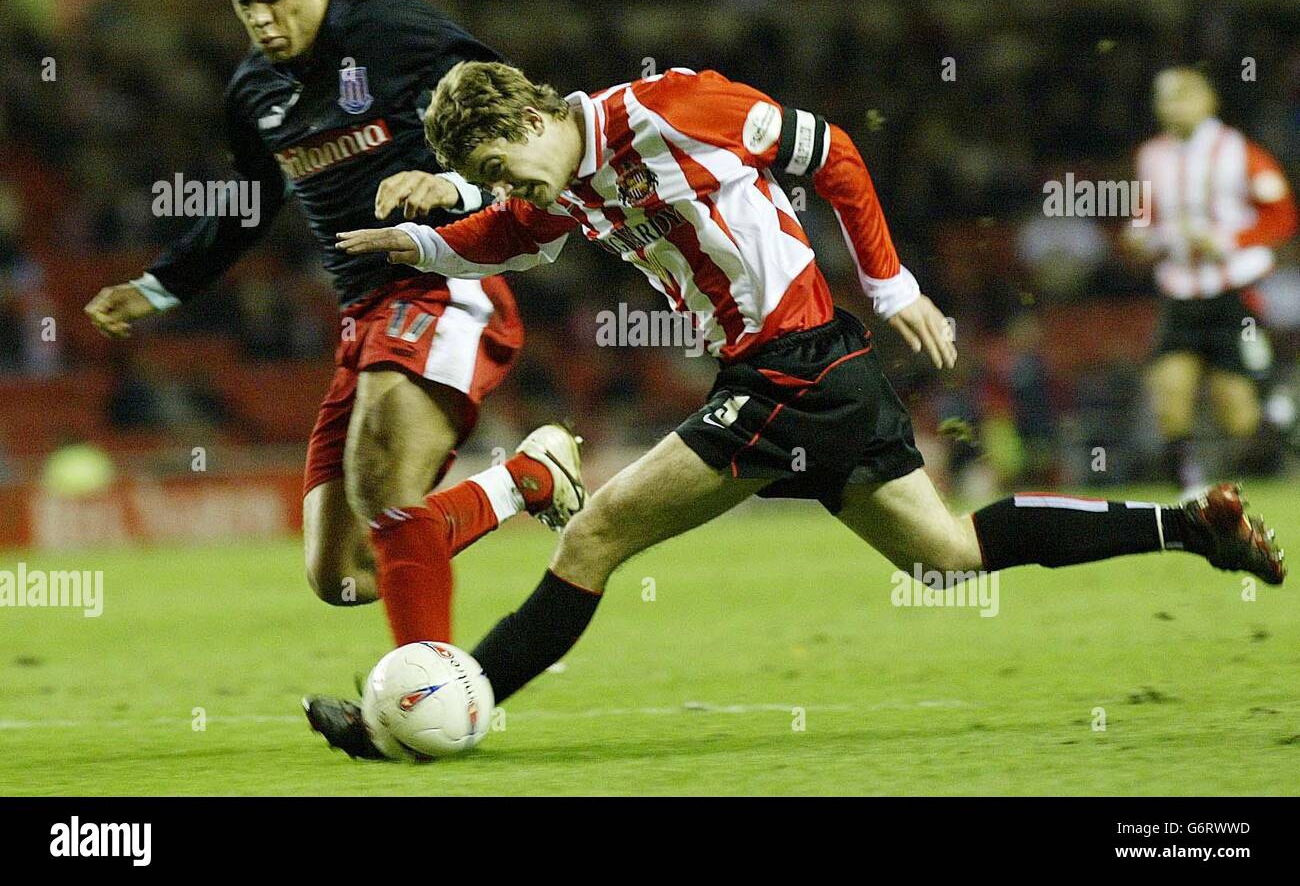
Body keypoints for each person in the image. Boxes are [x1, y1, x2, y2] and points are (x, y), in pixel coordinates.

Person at [326, 60, 1283, 758]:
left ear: (533, 113)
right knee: (944, 556)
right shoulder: (565, 180)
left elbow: (833, 153)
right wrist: (421, 246)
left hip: (785, 373)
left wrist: (894, 283)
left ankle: (456, 703)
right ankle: (1189, 526)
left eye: (501, 161)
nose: (506, 185)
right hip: (819, 375)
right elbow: (504, 232)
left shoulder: (672, 109)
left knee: (593, 536)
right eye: (488, 175)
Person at [82, 0, 584, 709]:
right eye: (244, 2)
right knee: (343, 574)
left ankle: (428, 707)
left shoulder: (390, 31)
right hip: (361, 320)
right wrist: (155, 286)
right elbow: (248, 203)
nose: (261, 18)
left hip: (442, 280)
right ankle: (524, 480)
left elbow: (521, 110)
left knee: (385, 490)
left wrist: (453, 186)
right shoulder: (253, 91)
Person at [1130, 67, 1297, 489]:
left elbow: (1283, 215)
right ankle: (1190, 489)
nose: (1174, 105)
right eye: (1166, 97)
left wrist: (1229, 239)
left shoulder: (1239, 151)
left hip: (1233, 290)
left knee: (1237, 411)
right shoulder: (1151, 155)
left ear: (1208, 101)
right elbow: (1147, 216)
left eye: (1184, 95)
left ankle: (1277, 412)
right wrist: (1140, 236)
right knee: (1169, 392)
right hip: (1178, 290)